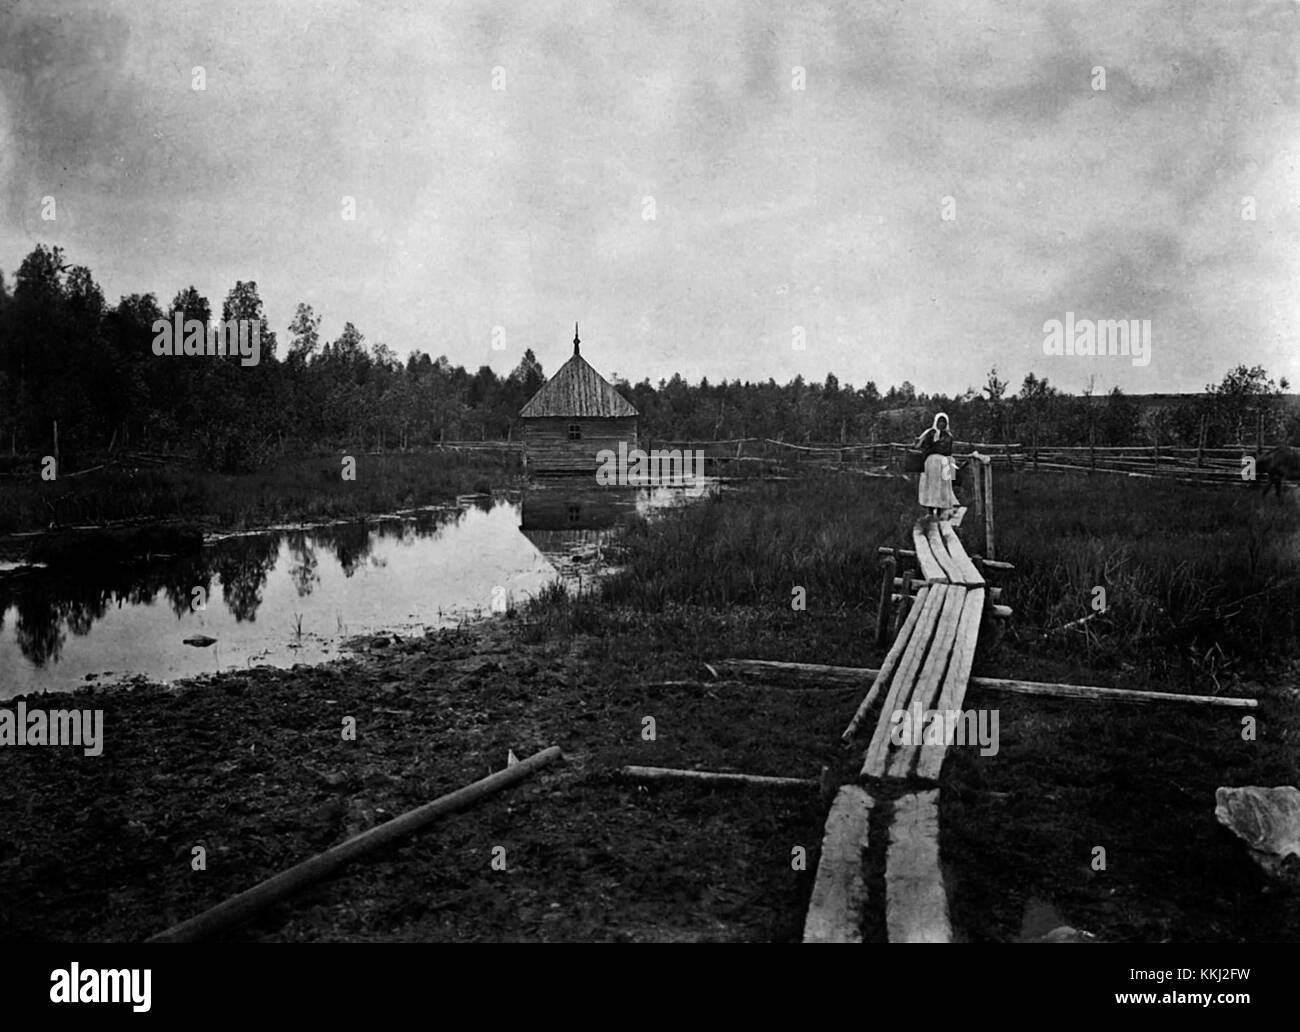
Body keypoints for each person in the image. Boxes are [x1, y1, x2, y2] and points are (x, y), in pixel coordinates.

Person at [916, 412, 959, 517]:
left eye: (944, 422)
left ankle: (939, 510)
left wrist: (937, 447)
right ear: (936, 422)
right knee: (930, 486)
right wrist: (934, 446)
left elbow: (947, 450)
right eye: (940, 421)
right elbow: (924, 447)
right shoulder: (930, 433)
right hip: (931, 462)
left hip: (943, 462)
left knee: (941, 487)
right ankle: (930, 511)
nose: (942, 424)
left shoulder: (948, 436)